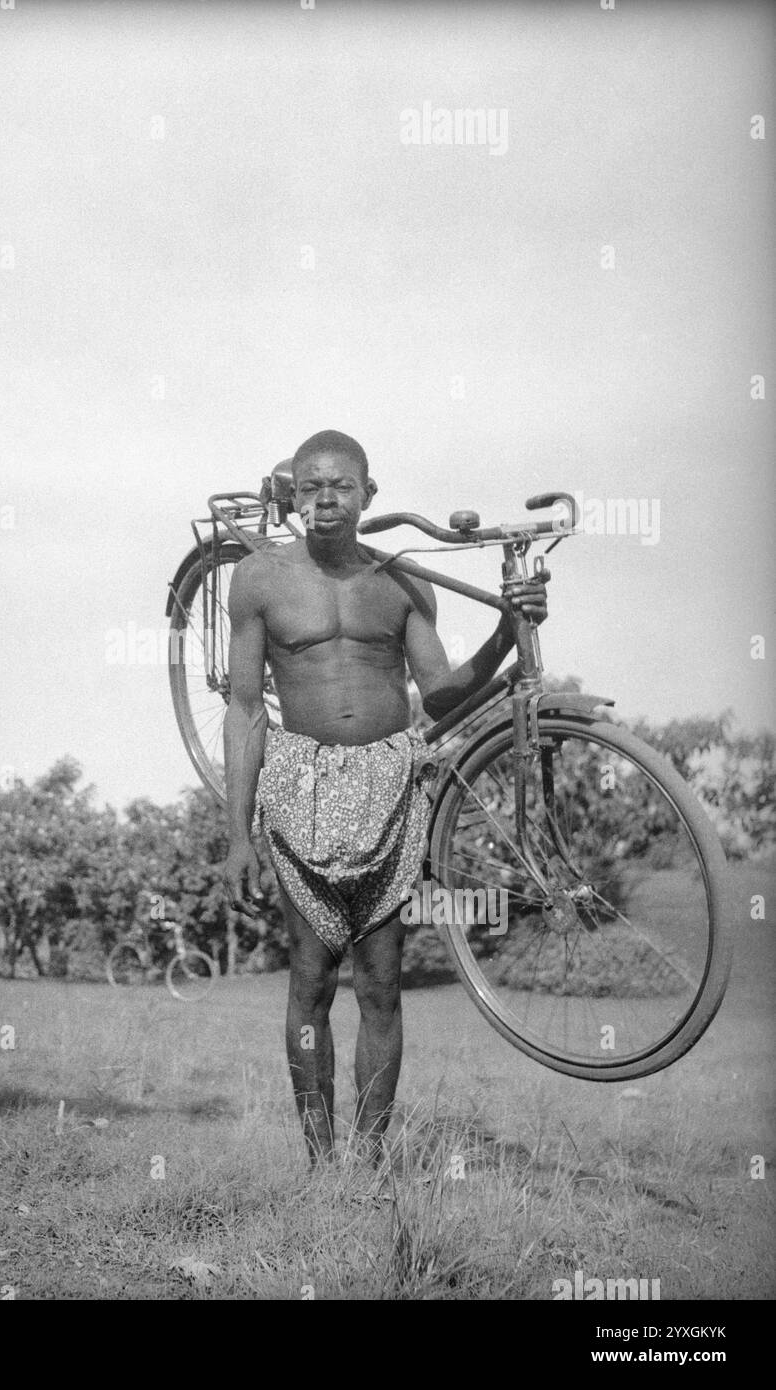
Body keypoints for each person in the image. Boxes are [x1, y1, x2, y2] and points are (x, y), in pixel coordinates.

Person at [222, 430, 546, 1167]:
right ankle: (318, 1162)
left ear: (370, 493)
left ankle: (367, 1162)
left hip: (390, 789)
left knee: (381, 985)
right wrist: (237, 835)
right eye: (310, 487)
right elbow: (244, 711)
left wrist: (505, 632)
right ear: (292, 495)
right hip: (300, 787)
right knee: (310, 979)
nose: (325, 499)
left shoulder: (402, 583)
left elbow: (440, 697)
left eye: (340, 485)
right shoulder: (259, 580)